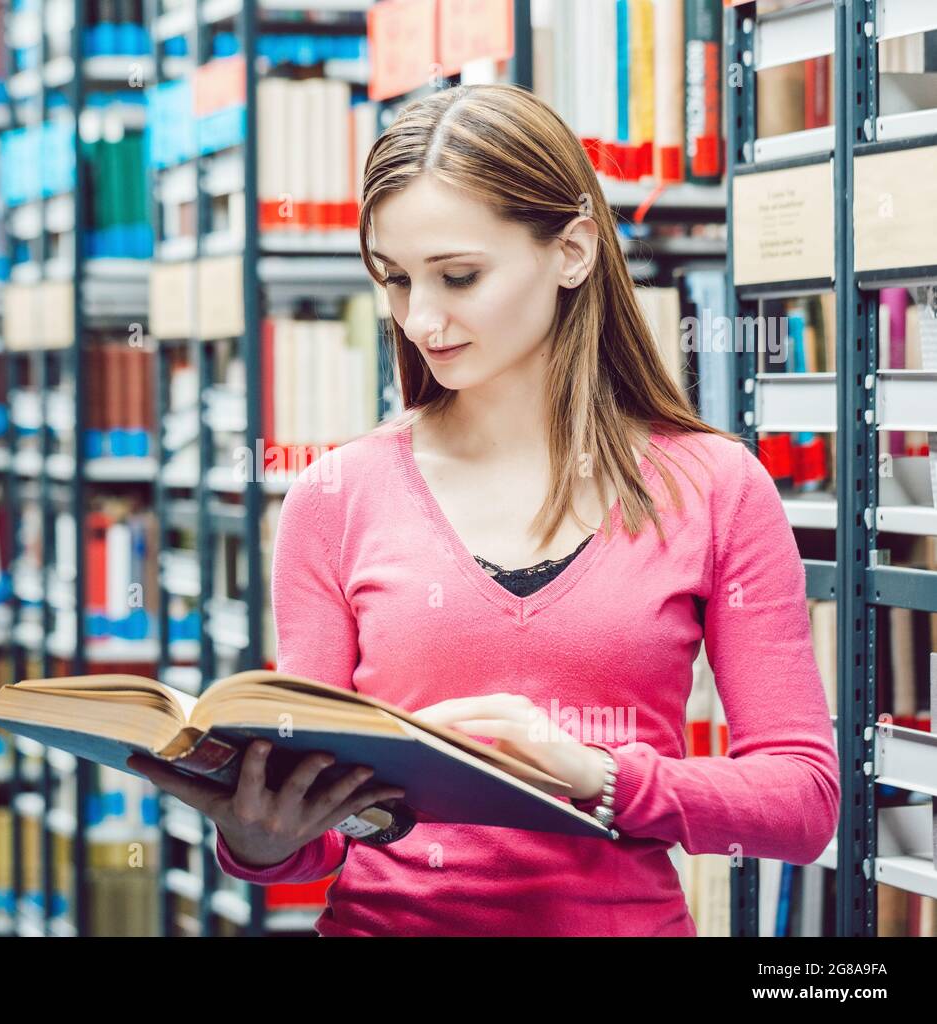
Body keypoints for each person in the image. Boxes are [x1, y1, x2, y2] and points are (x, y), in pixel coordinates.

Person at [127, 83, 840, 936]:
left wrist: (600, 774)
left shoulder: (715, 488)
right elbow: (315, 822)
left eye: (459, 275)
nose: (422, 319)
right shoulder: (334, 497)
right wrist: (261, 839)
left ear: (572, 250)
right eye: (395, 280)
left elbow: (804, 801)